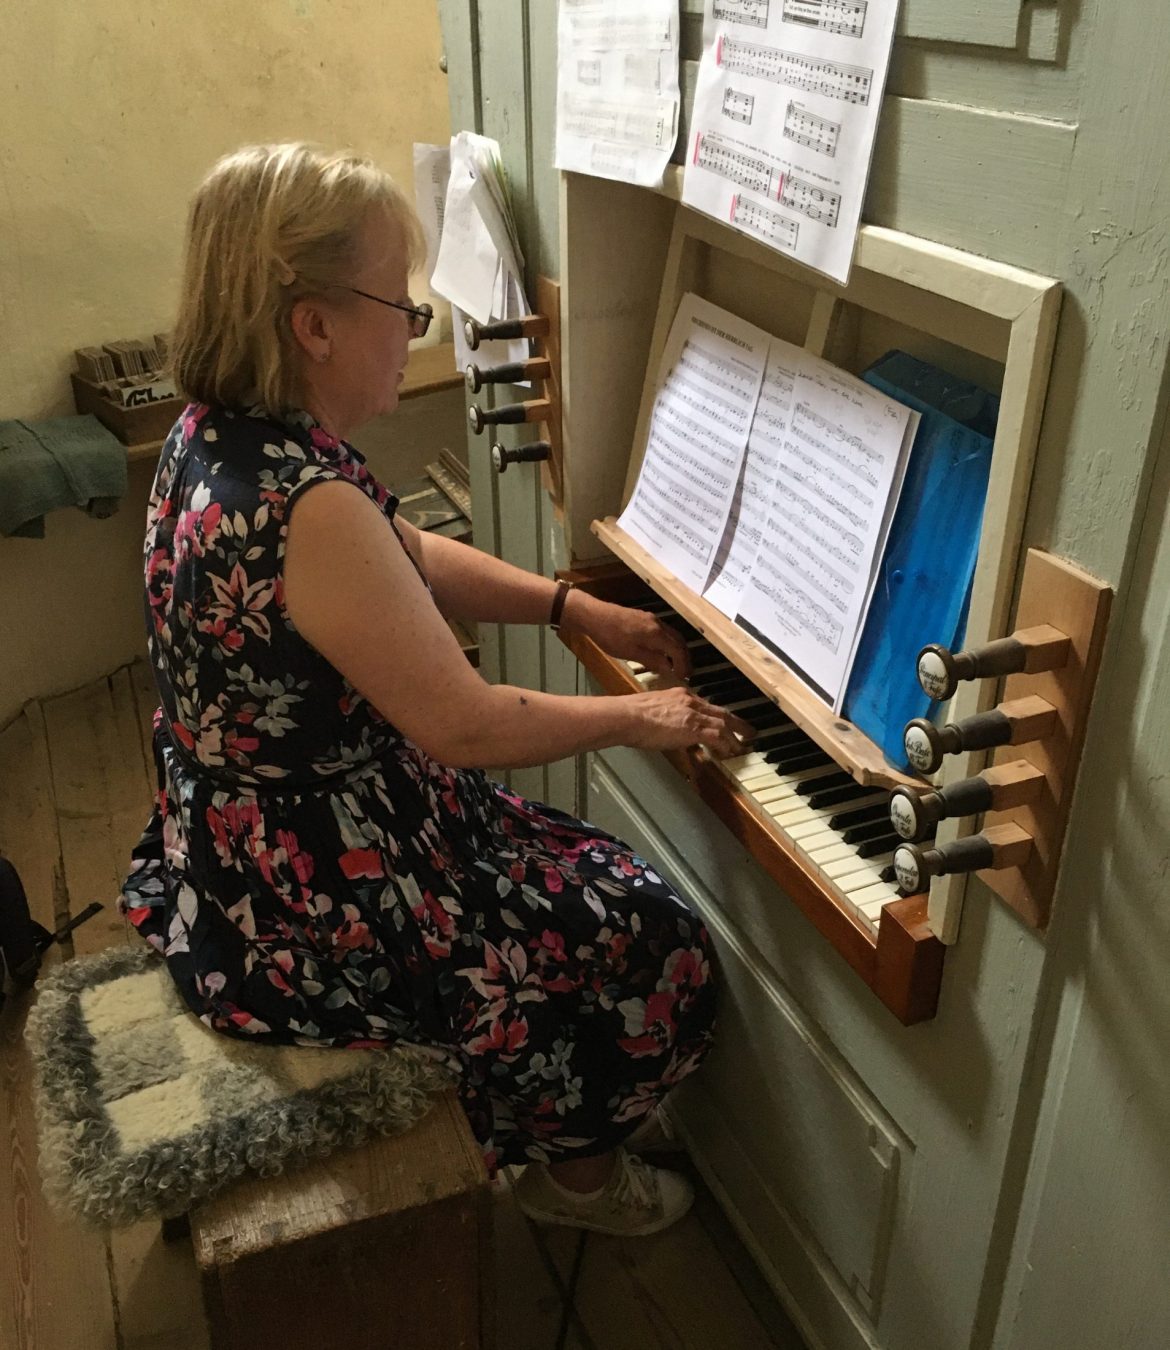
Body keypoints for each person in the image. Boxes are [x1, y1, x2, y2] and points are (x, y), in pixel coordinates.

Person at [119, 143, 751, 1236]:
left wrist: (570, 607)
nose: (416, 327)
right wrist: (649, 716)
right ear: (312, 325)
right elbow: (462, 721)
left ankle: (568, 1115)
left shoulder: (219, 437)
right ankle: (575, 1181)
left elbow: (399, 548)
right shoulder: (305, 502)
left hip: (246, 844)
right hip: (314, 900)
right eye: (400, 304)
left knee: (577, 880)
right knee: (652, 938)